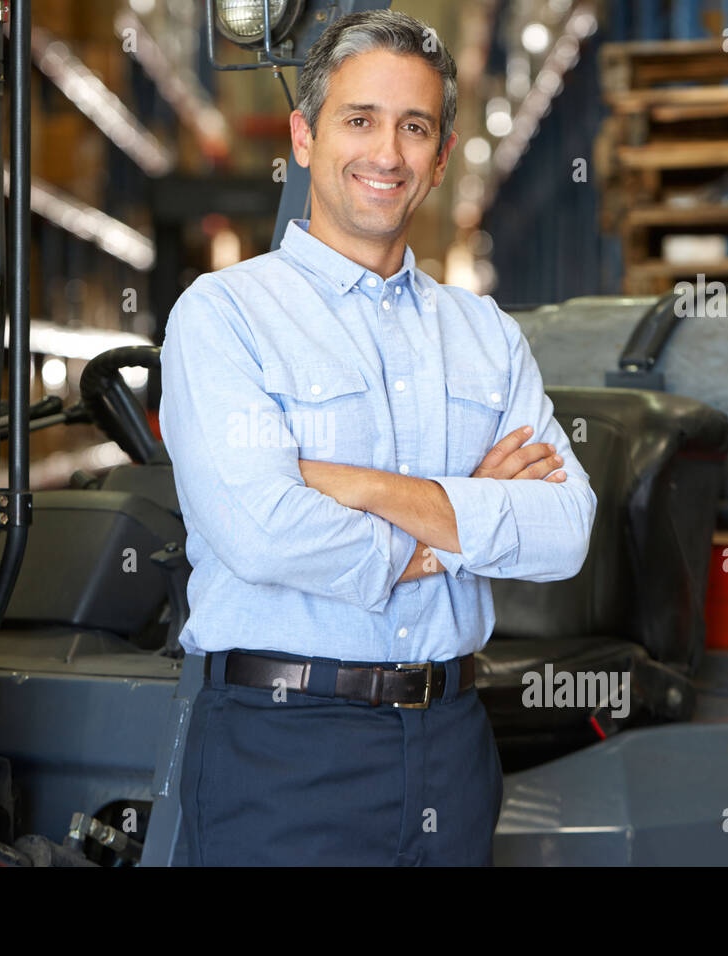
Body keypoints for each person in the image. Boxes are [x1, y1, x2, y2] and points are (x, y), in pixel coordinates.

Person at [157, 8, 596, 866]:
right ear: (305, 136)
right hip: (283, 752)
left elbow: (565, 529)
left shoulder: (486, 335)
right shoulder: (226, 316)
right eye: (360, 121)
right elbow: (261, 530)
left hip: (454, 747)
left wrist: (352, 485)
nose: (386, 154)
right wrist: (463, 521)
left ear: (440, 155)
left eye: (414, 127)